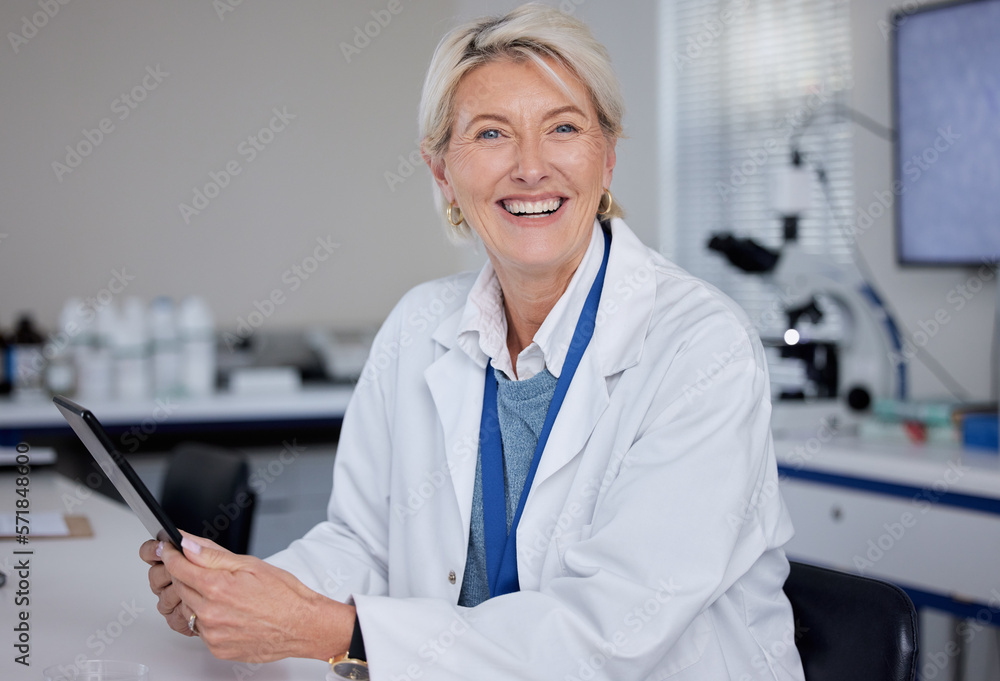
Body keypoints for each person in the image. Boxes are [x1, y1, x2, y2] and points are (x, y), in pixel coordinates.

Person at [142, 5, 806, 680]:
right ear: (441, 172)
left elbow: (604, 635)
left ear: (606, 158)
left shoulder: (700, 348)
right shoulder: (416, 326)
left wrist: (331, 630)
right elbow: (362, 545)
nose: (530, 167)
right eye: (491, 134)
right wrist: (240, 591)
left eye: (564, 128)